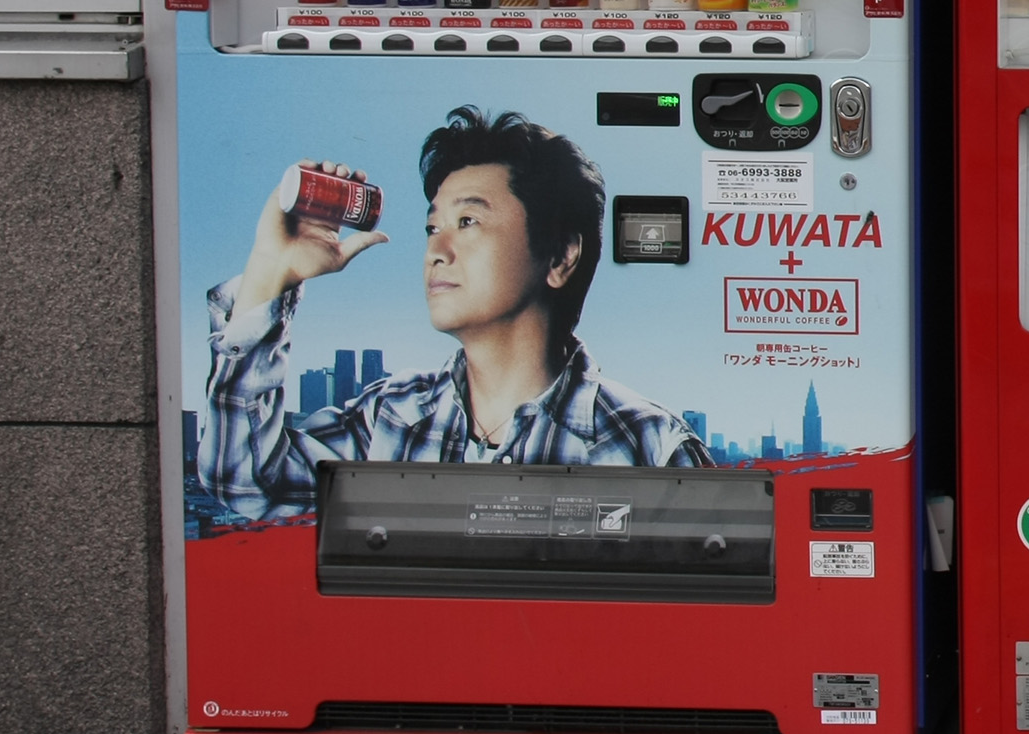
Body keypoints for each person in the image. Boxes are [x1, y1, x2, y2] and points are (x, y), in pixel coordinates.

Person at [198, 106, 703, 520]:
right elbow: (242, 479)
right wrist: (272, 268)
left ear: (559, 256)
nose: (435, 250)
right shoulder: (391, 415)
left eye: (467, 220)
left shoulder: (650, 446)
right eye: (430, 227)